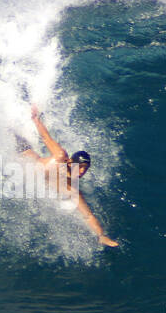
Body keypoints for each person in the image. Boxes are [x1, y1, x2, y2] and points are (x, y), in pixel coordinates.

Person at [19, 104, 118, 247]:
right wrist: (36, 120)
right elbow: (46, 138)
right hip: (20, 151)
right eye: (81, 167)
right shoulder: (60, 157)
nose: (83, 172)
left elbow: (88, 216)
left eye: (86, 169)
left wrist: (101, 235)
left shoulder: (72, 189)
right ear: (70, 162)